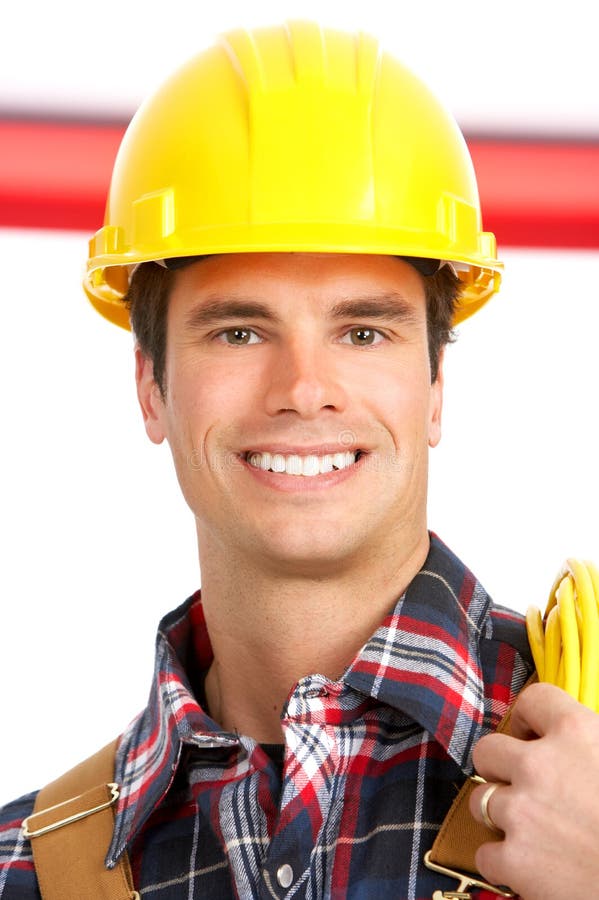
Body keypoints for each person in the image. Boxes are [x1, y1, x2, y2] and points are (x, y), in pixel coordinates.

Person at [1, 20, 598, 900]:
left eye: (362, 331)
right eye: (239, 330)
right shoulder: (26, 871)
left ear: (434, 385)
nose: (304, 389)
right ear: (151, 388)